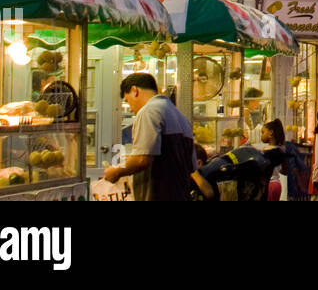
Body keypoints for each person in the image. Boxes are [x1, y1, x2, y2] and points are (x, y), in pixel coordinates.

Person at [104, 73, 196, 201]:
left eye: (127, 101)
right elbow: (192, 167)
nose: (130, 109)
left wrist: (116, 171)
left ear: (134, 91)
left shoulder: (149, 111)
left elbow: (142, 159)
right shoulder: (181, 117)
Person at [191, 144, 284, 201]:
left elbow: (209, 193)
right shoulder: (261, 163)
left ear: (199, 163)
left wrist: (192, 172)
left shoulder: (202, 175)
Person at [261, 118, 309, 201]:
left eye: (263, 132)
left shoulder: (267, 150)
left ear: (271, 133)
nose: (261, 135)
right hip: (277, 184)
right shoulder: (281, 149)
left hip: (269, 185)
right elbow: (284, 170)